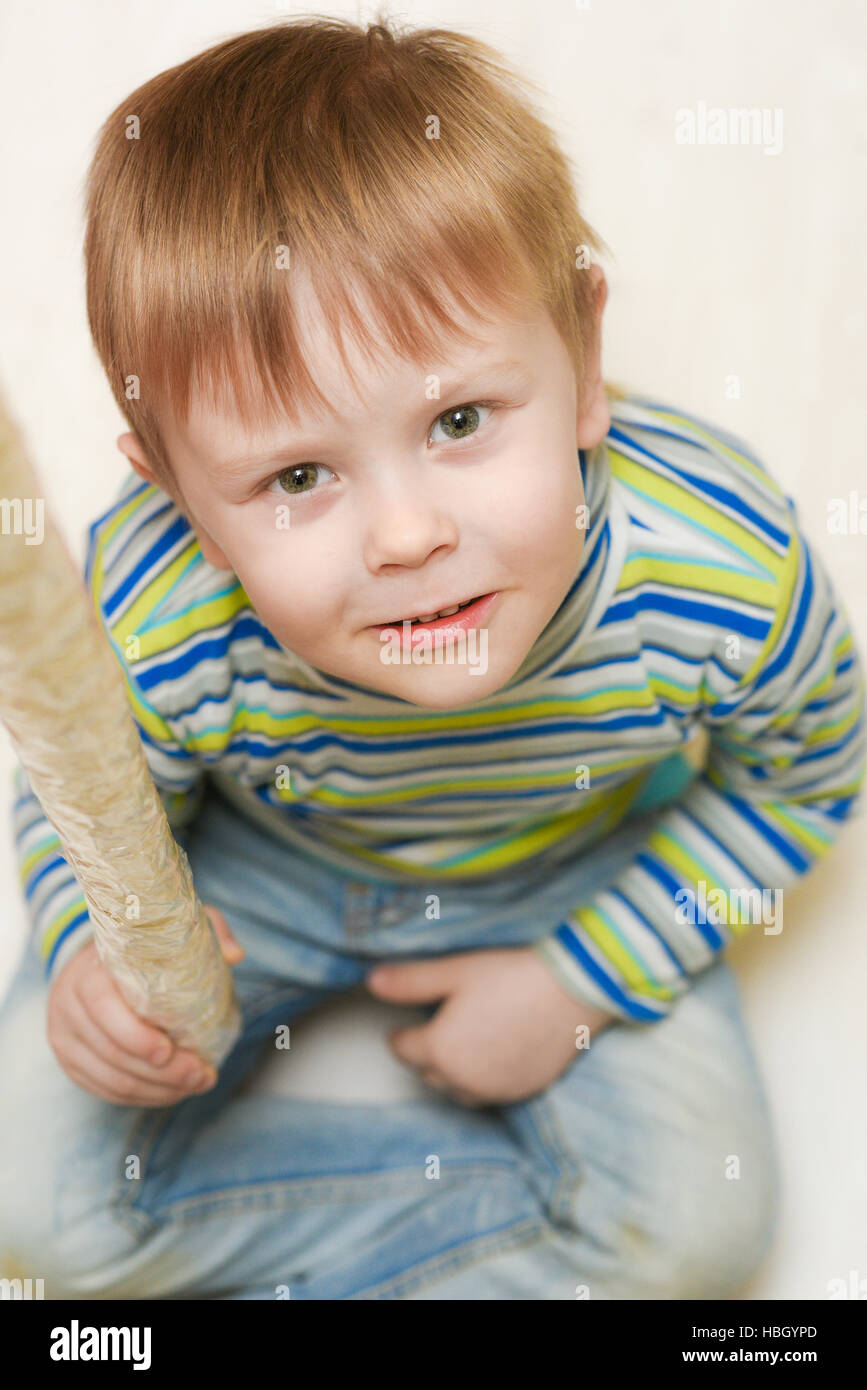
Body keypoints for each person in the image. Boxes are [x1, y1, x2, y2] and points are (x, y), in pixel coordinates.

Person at [1, 14, 863, 1300]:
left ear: (581, 363)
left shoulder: (719, 569)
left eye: (460, 418)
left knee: (700, 1232)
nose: (408, 535)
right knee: (39, 1202)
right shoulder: (147, 609)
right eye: (297, 474)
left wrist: (577, 981)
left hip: (572, 866)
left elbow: (808, 777)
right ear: (179, 495)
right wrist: (87, 944)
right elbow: (78, 793)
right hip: (256, 876)